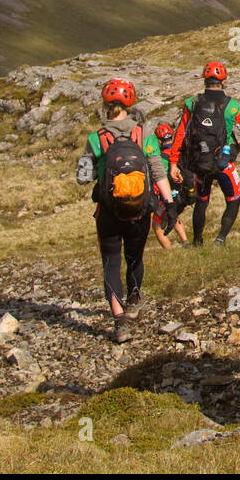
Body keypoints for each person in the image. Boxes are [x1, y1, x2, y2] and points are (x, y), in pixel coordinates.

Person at [77, 78, 177, 343]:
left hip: (108, 213)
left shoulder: (95, 139)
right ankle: (134, 298)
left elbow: (83, 177)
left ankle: (119, 319)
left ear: (105, 105)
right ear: (131, 104)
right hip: (140, 212)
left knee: (110, 262)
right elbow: (157, 172)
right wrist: (169, 204)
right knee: (135, 258)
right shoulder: (144, 135)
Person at [167, 62, 240, 247]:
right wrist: (238, 147)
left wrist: (174, 162)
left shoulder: (192, 103)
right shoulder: (232, 106)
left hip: (200, 163)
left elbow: (180, 134)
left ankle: (197, 241)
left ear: (204, 80)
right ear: (223, 81)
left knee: (202, 201)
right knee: (233, 200)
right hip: (224, 162)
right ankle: (221, 239)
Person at [151, 122, 189, 249]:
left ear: (159, 140)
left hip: (166, 196)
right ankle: (185, 242)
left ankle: (170, 251)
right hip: (181, 193)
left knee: (157, 226)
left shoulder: (160, 158)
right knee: (174, 215)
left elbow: (158, 179)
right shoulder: (179, 151)